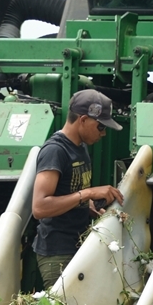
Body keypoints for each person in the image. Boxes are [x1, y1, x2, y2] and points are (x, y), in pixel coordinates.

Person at [32, 89, 124, 288]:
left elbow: (68, 192)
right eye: (100, 127)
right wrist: (88, 193)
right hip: (58, 251)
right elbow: (39, 207)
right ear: (83, 120)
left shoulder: (80, 147)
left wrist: (88, 204)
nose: (104, 133)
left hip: (78, 245)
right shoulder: (55, 151)